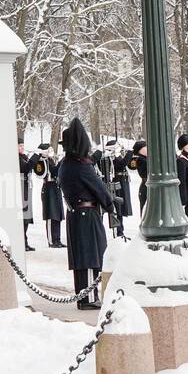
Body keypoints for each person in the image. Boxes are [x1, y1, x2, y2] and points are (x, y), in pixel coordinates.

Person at [57, 118, 110, 310]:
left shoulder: (68, 164)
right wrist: (110, 204)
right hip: (86, 213)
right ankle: (87, 298)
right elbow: (99, 188)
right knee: (89, 255)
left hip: (77, 214)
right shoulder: (80, 165)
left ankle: (85, 295)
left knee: (84, 255)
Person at [32, 143, 66, 248]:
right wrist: (62, 161)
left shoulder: (50, 160)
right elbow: (51, 171)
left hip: (55, 187)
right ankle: (52, 241)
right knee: (51, 215)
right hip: (48, 188)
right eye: (48, 150)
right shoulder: (41, 161)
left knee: (58, 215)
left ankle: (58, 239)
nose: (51, 152)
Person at [127, 140, 149, 212]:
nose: (147, 149)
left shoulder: (144, 158)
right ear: (140, 150)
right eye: (145, 147)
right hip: (146, 186)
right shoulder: (140, 159)